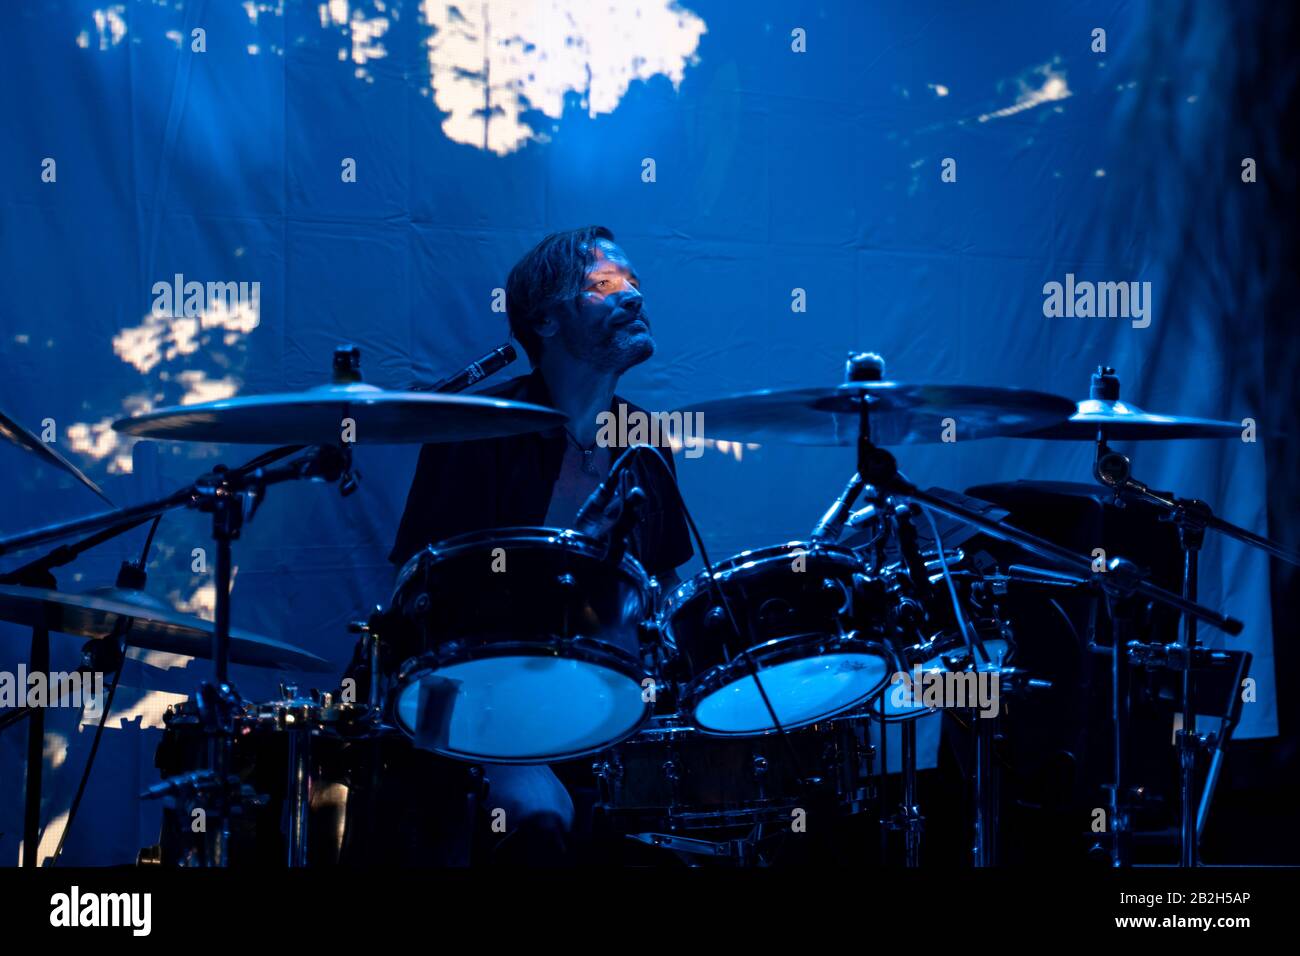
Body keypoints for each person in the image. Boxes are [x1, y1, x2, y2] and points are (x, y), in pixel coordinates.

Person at [385, 225, 693, 864]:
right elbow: (422, 607)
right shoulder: (476, 434)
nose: (633, 295)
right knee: (535, 817)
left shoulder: (647, 440)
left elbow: (659, 599)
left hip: (611, 705)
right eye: (605, 285)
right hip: (481, 702)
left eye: (633, 281)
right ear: (546, 322)